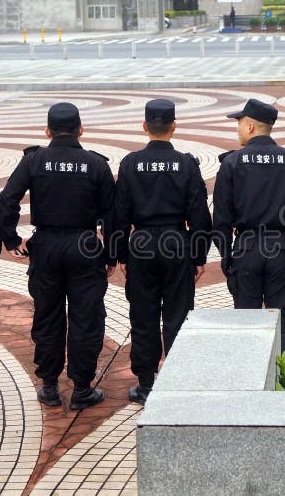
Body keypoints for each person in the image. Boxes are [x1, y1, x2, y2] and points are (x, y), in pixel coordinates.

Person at [0, 102, 115, 410]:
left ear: (48, 131)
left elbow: (6, 201)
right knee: (85, 318)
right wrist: (112, 254)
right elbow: (113, 215)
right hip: (85, 245)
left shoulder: (34, 161)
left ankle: (49, 386)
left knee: (47, 315)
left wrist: (11, 239)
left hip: (46, 245)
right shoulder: (96, 164)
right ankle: (81, 388)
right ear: (80, 129)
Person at [114, 99, 212, 405]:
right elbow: (199, 216)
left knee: (143, 315)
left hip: (141, 243)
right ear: (173, 126)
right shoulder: (186, 164)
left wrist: (120, 254)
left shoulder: (130, 164)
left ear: (145, 126)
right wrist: (198, 256)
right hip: (176, 243)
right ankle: (177, 379)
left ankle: (145, 383)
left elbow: (119, 213)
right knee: (178, 315)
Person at [213, 99, 285, 362]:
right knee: (282, 324)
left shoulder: (232, 162)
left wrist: (227, 257)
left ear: (249, 127)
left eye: (239, 124)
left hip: (246, 248)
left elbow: (221, 219)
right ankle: (284, 382)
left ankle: (250, 381)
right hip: (281, 247)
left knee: (247, 324)